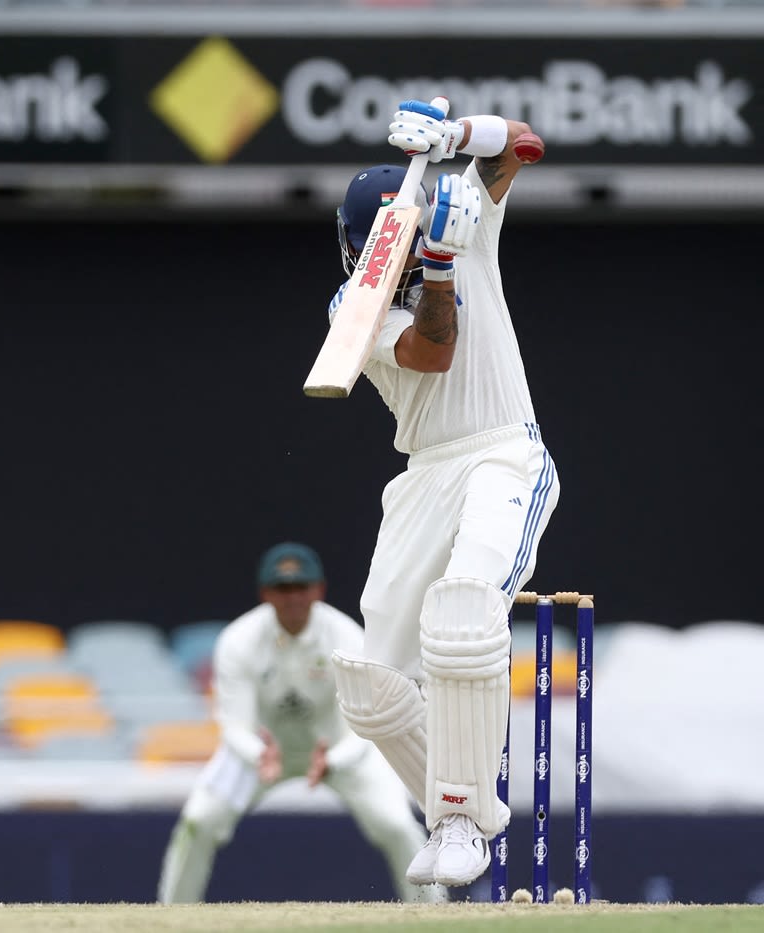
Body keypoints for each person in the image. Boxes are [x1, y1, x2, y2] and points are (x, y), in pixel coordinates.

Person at [324, 100, 560, 889]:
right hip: (423, 473)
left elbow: (521, 145)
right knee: (371, 686)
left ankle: (457, 815)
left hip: (502, 452)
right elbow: (431, 350)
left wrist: (460, 138)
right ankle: (473, 801)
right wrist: (436, 263)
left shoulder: (470, 225)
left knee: (464, 611)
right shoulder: (349, 308)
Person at [158, 542, 446, 904]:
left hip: (340, 753)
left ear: (319, 590)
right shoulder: (238, 640)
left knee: (397, 825)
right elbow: (235, 727)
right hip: (261, 755)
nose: (292, 598)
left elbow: (362, 724)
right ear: (266, 593)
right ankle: (171, 918)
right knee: (198, 822)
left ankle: (434, 915)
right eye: (282, 589)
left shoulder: (347, 637)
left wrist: (333, 761)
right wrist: (259, 754)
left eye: (301, 588)